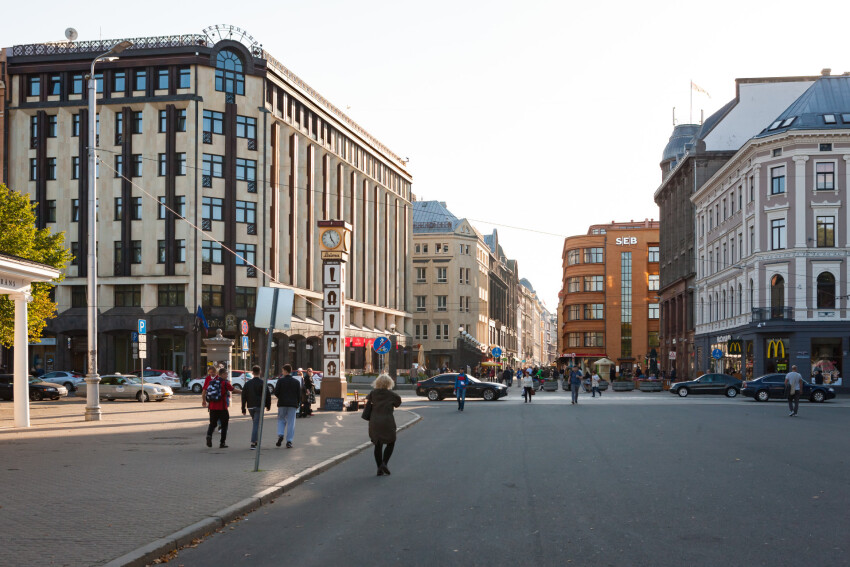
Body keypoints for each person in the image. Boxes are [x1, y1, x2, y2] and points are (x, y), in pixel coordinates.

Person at [367, 374, 402, 476]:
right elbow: (398, 403)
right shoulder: (392, 395)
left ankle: (379, 468)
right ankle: (384, 463)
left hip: (374, 421)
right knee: (391, 441)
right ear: (389, 383)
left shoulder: (373, 393)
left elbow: (369, 401)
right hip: (387, 421)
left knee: (378, 444)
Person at [203, 367, 235, 448]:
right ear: (222, 374)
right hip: (222, 407)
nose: (227, 375)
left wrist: (204, 400)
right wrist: (243, 392)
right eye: (226, 374)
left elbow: (205, 390)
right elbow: (233, 389)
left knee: (212, 424)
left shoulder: (211, 382)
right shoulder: (224, 383)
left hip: (212, 407)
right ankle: (222, 443)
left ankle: (209, 436)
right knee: (224, 425)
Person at [242, 364, 271, 449]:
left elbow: (243, 396)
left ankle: (256, 441)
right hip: (259, 406)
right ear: (260, 372)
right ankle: (253, 442)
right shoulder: (262, 383)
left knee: (256, 423)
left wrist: (243, 408)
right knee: (256, 424)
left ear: (252, 372)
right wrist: (268, 405)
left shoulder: (247, 384)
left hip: (250, 406)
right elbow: (267, 395)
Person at [273, 364, 302, 448]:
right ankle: (289, 441)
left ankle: (280, 434)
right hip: (292, 404)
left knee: (281, 419)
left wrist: (281, 397)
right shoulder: (296, 382)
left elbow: (276, 392)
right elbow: (298, 395)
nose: (282, 372)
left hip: (282, 404)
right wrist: (297, 403)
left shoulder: (280, 381)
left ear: (285, 371)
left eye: (282, 371)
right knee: (291, 422)